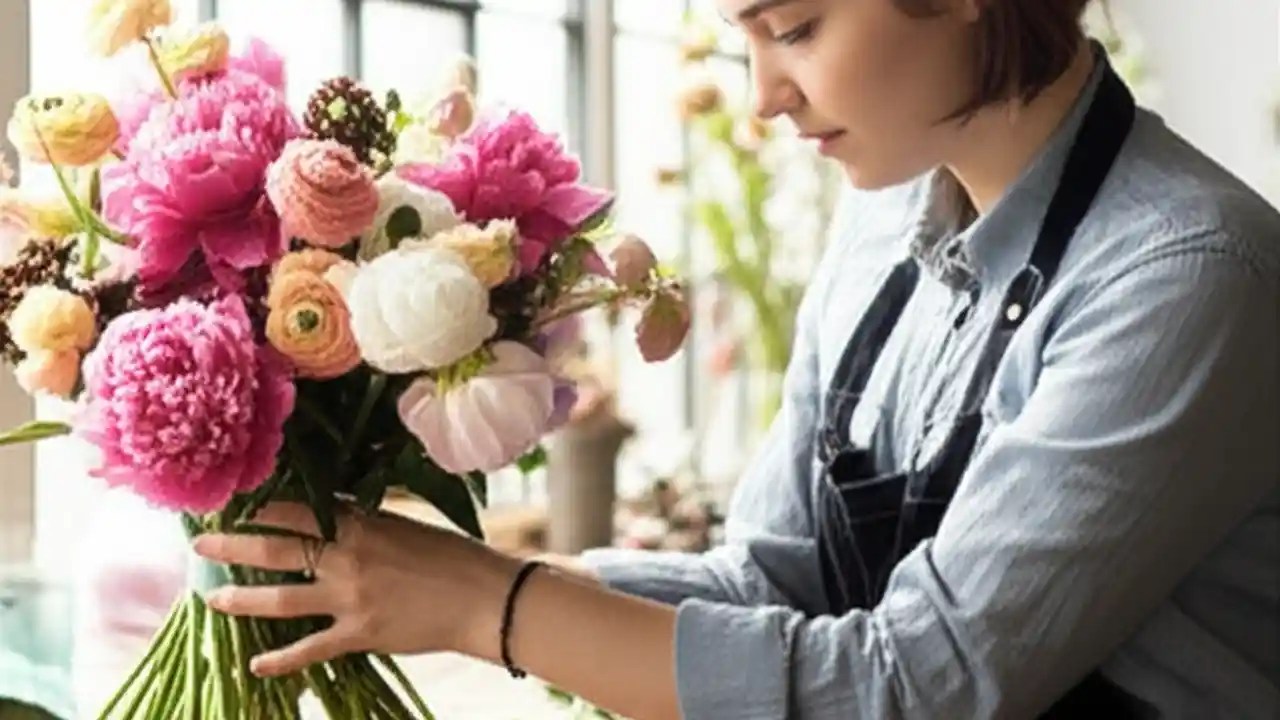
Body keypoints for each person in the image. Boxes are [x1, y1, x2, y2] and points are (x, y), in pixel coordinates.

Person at [192, 0, 1280, 717]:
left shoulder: (1187, 272)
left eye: (795, 27)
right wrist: (428, 583)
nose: (761, 92)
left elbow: (922, 689)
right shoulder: (882, 224)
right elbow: (774, 584)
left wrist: (494, 605)